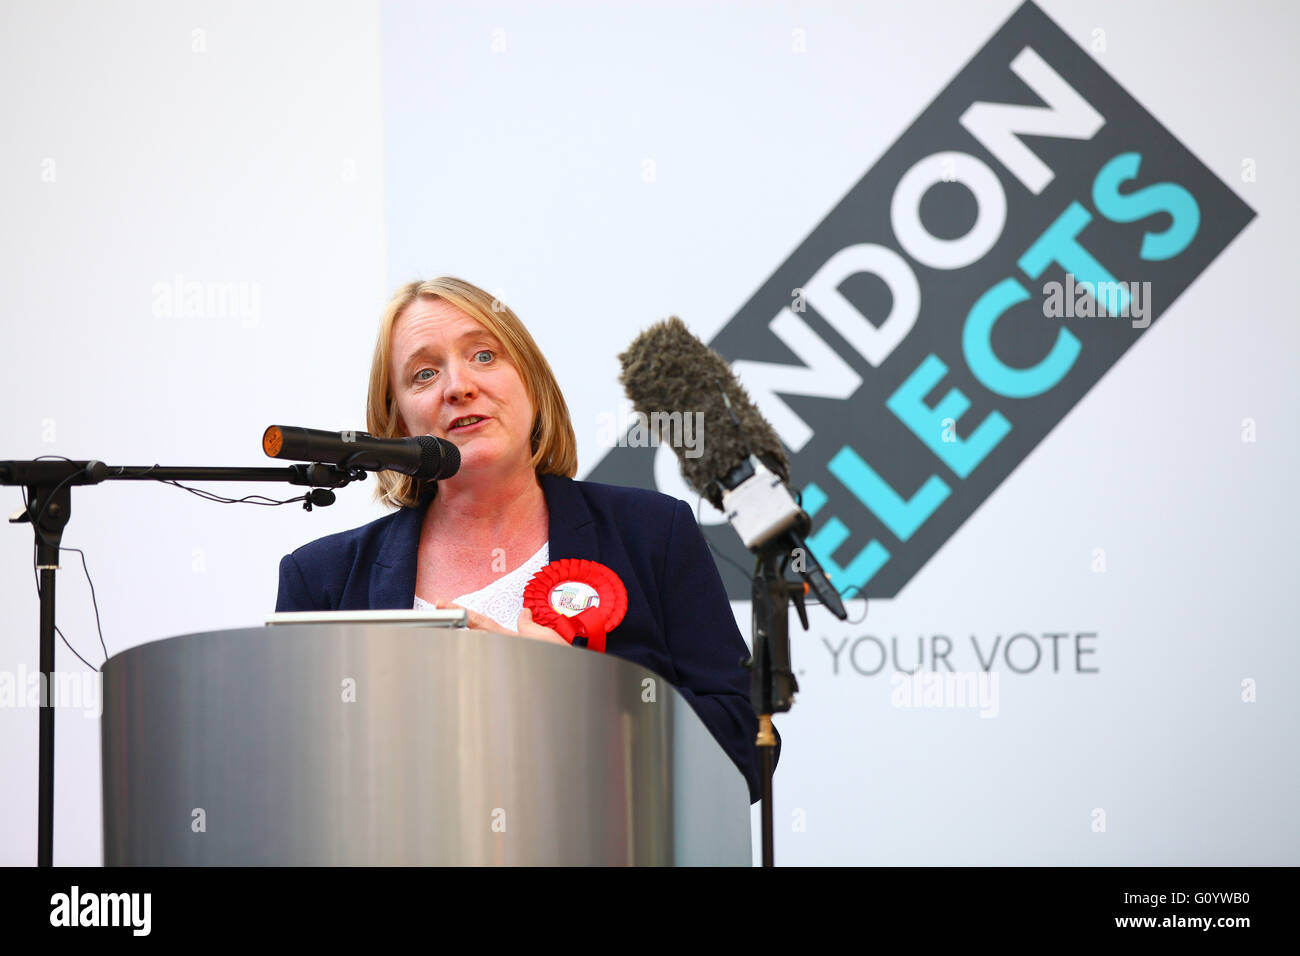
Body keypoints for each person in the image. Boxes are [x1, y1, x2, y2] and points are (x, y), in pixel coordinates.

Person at [275, 276, 778, 803]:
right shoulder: (322, 580)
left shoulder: (653, 532)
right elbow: (289, 787)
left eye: (485, 356)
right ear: (397, 423)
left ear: (532, 385)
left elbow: (746, 750)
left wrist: (574, 690)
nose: (458, 385)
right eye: (424, 373)